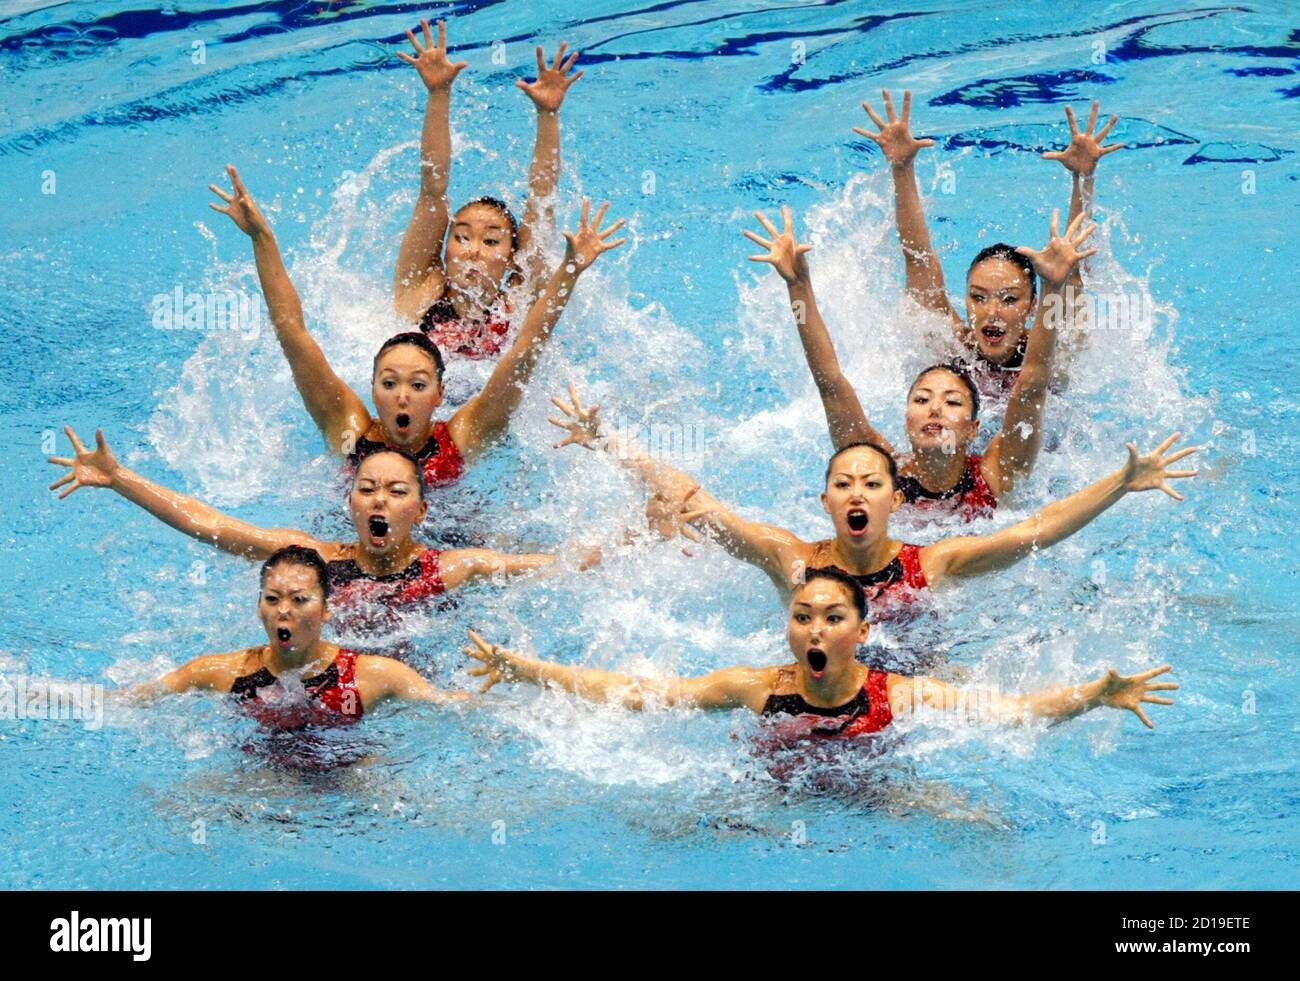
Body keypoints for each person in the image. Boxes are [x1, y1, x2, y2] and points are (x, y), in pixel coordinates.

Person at [547, 385, 1198, 624]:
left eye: (870, 482)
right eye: (844, 483)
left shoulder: (932, 564)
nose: (857, 491)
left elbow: (1034, 531)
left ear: (895, 497)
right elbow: (693, 496)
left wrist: (1118, 481)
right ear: (826, 500)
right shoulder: (790, 558)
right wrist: (607, 440)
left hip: (899, 691)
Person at [208, 166, 624, 485]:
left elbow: (526, 348)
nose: (402, 397)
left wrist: (569, 271)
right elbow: (291, 333)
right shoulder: (350, 434)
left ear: (441, 394)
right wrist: (261, 239)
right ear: (371, 389)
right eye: (389, 384)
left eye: (418, 385)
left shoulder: (460, 440)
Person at [464, 568, 1178, 741]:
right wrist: (522, 666)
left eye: (832, 617)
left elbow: (1013, 713)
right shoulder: (755, 687)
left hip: (871, 798)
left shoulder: (899, 696)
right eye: (802, 615)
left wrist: (1095, 694)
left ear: (859, 632)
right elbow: (634, 690)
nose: (813, 628)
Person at [743, 205, 1095, 522]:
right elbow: (830, 382)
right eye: (922, 399)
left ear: (975, 429)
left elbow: (1032, 385)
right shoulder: (878, 477)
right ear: (905, 420)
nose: (935, 409)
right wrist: (798, 284)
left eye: (953, 401)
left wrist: (1052, 287)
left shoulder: (996, 477)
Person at [47, 431, 598, 626]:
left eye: (397, 492)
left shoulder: (454, 568)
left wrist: (645, 533)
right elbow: (210, 524)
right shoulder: (313, 559)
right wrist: (120, 479)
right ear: (351, 504)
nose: (379, 500)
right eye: (367, 489)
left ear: (422, 512)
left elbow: (562, 568)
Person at [854, 91, 1124, 397]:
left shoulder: (1051, 347)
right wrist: (902, 169)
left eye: (1009, 300)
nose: (992, 311)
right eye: (978, 297)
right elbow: (918, 258)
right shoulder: (953, 348)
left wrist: (1083, 178)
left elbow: (1073, 270)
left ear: (1033, 307)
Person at [393, 19, 584, 357]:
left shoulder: (520, 299)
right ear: (445, 248)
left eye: (491, 240)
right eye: (461, 236)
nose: (473, 251)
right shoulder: (421, 291)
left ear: (513, 258)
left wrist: (548, 116)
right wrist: (439, 94)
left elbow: (541, 200)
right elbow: (432, 189)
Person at [121, 545, 464, 725]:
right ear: (258, 607)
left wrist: (518, 673)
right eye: (272, 600)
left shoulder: (371, 675)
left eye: (299, 600)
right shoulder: (225, 672)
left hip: (347, 791)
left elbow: (453, 706)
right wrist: (70, 698)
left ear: (327, 609)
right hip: (264, 789)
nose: (283, 610)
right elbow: (131, 701)